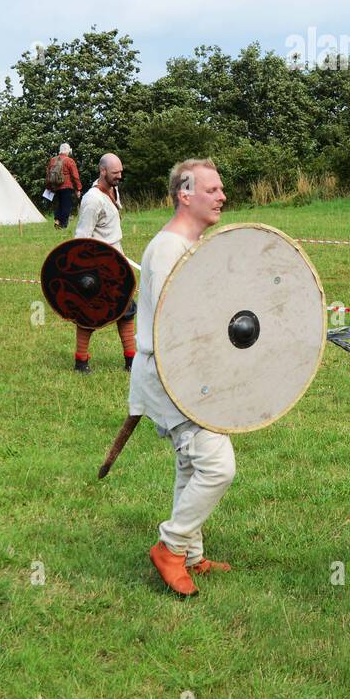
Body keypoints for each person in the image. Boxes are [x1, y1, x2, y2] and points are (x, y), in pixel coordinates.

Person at [129, 157, 235, 598]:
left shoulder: (185, 245)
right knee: (218, 467)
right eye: (212, 190)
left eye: (222, 189)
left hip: (185, 372)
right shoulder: (170, 248)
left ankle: (190, 554)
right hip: (173, 374)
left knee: (191, 464)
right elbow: (182, 323)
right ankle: (170, 547)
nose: (222, 197)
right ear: (184, 194)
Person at [72, 153, 136, 374]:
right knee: (90, 312)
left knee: (126, 308)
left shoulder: (113, 190)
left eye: (121, 171)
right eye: (115, 172)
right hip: (98, 266)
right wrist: (86, 273)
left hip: (117, 261)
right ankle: (81, 361)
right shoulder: (92, 200)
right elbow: (81, 239)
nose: (120, 176)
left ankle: (131, 361)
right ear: (103, 171)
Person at [46, 143, 82, 230]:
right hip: (67, 187)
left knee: (58, 205)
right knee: (66, 206)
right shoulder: (69, 160)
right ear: (68, 151)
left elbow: (48, 175)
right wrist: (78, 189)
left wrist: (48, 188)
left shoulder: (52, 160)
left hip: (55, 187)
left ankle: (57, 220)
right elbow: (75, 176)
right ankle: (63, 226)